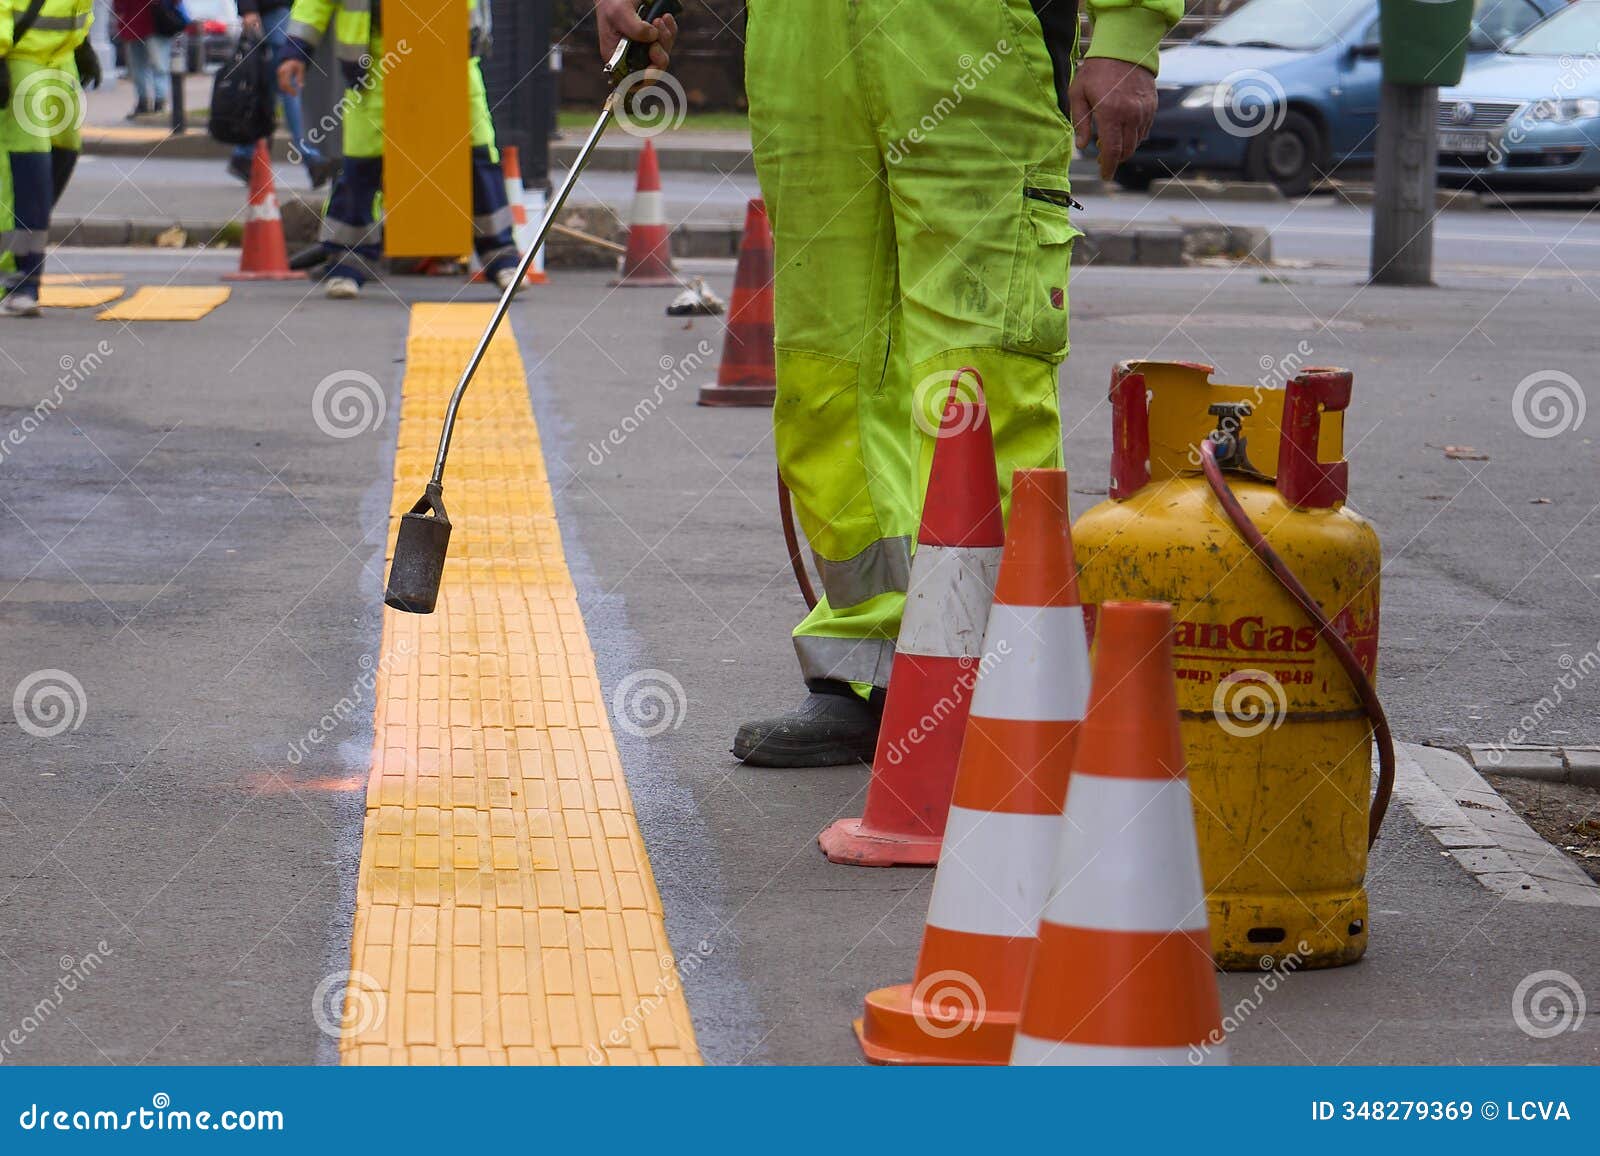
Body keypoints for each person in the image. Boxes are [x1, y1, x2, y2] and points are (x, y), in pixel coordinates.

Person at [598, 0, 1175, 766]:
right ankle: (866, 671)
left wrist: (1129, 31)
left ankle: (1000, 685)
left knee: (979, 377)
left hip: (970, 37)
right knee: (828, 372)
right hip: (804, 44)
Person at [276, 0, 521, 299]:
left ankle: (502, 257)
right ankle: (349, 261)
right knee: (362, 163)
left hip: (447, 55)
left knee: (476, 154)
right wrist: (296, 49)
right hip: (377, 60)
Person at [0, 0, 97, 317]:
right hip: (20, 57)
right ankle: (18, 281)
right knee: (27, 170)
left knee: (63, 153)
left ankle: (21, 266)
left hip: (60, 58)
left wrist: (83, 43)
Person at [229, 0, 335, 188]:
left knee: (268, 87)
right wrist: (248, 8)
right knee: (287, 85)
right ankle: (310, 155)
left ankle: (245, 154)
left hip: (282, 11)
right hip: (276, 11)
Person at [111, 0, 169, 118]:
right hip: (137, 23)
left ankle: (157, 102)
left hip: (154, 22)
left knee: (156, 66)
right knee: (141, 67)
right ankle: (147, 103)